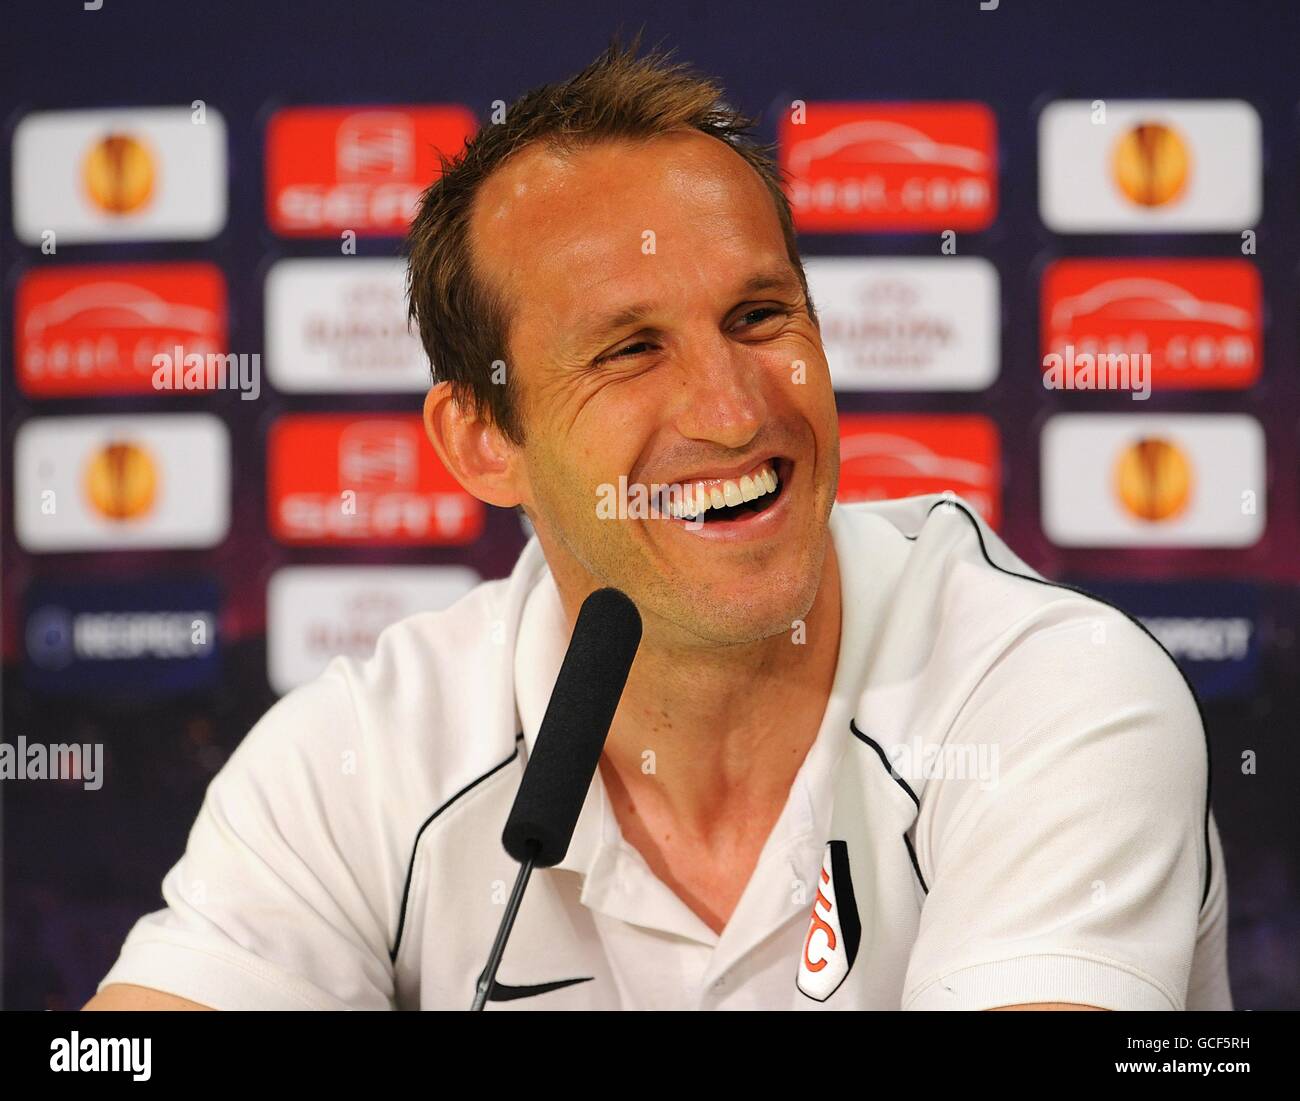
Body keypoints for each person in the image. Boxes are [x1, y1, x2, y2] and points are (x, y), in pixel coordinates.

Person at [86, 34, 1230, 1011]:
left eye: (758, 315)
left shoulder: (1054, 692)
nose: (735, 413)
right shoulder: (361, 758)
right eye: (629, 350)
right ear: (483, 441)